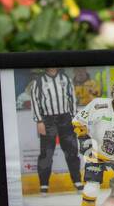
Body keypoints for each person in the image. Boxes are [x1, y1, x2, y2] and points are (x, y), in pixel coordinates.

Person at [27, 67, 83, 195]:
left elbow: (72, 98)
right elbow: (35, 101)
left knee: (72, 150)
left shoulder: (66, 79)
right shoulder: (39, 81)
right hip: (48, 120)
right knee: (46, 153)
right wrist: (39, 121)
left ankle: (77, 181)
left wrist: (74, 117)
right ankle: (44, 185)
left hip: (65, 118)